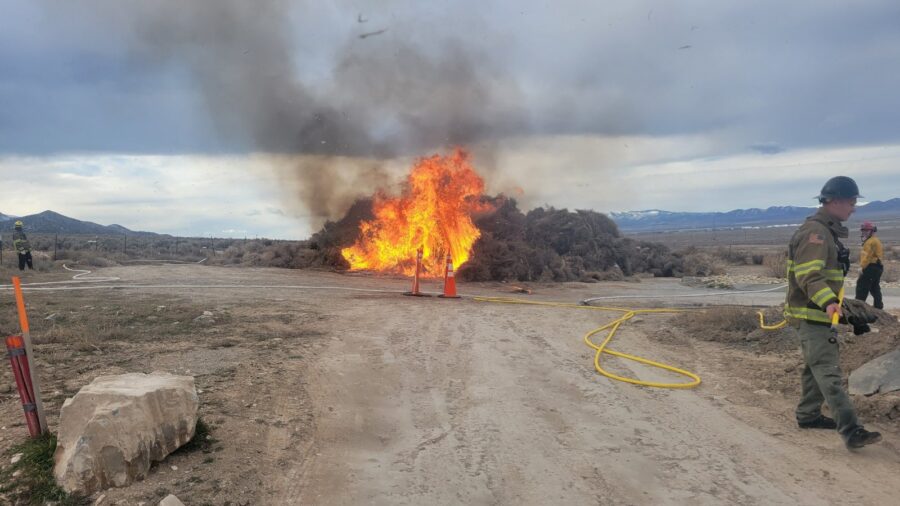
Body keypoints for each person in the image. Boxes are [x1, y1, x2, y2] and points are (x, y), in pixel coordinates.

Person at [784, 176, 881, 450]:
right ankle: (851, 430)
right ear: (835, 200)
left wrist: (836, 305)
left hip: (816, 313)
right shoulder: (816, 234)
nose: (854, 208)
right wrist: (828, 301)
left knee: (815, 366)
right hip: (811, 313)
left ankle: (808, 415)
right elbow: (809, 275)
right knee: (828, 370)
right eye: (851, 202)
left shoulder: (825, 231)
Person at [855, 221, 884, 309]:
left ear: (872, 231)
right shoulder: (876, 240)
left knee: (862, 287)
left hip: (870, 267)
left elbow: (866, 256)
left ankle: (858, 307)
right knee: (874, 288)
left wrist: (862, 267)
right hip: (877, 267)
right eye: (863, 231)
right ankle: (878, 307)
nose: (864, 232)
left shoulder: (869, 242)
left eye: (866, 231)